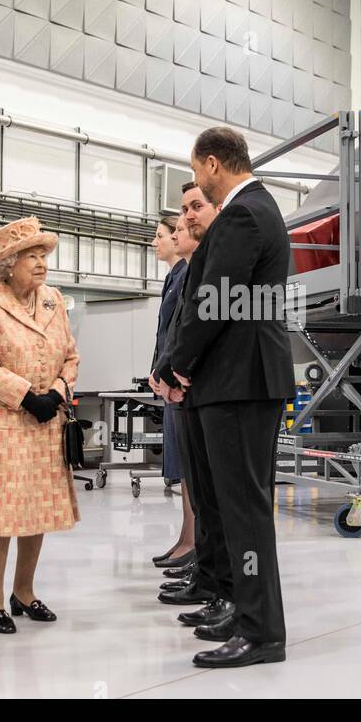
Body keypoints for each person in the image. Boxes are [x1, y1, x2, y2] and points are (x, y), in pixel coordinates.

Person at [152, 126, 293, 669]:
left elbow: (215, 300)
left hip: (241, 381)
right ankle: (247, 613)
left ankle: (262, 632)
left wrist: (175, 364)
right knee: (237, 510)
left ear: (213, 164)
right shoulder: (253, 210)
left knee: (245, 511)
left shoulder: (243, 213)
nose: (195, 190)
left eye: (195, 173)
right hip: (236, 380)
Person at [0, 217, 80, 634]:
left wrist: (59, 392)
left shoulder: (53, 299)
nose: (41, 263)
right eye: (31, 256)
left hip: (48, 420)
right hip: (3, 421)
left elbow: (71, 356)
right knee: (1, 512)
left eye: (43, 255)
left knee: (38, 510)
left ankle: (23, 592)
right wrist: (29, 396)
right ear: (8, 263)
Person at [153, 184, 224, 604]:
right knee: (191, 475)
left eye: (191, 213)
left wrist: (173, 370)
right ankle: (195, 551)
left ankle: (203, 559)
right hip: (177, 379)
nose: (176, 232)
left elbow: (189, 330)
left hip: (191, 382)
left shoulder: (198, 270)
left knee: (204, 482)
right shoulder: (183, 273)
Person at [150, 209, 195, 569]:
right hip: (168, 379)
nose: (158, 241)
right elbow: (164, 333)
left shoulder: (185, 275)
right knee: (181, 467)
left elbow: (181, 333)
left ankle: (192, 541)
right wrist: (155, 370)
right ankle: (186, 537)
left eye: (163, 234)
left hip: (179, 382)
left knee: (189, 469)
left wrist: (168, 373)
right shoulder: (173, 277)